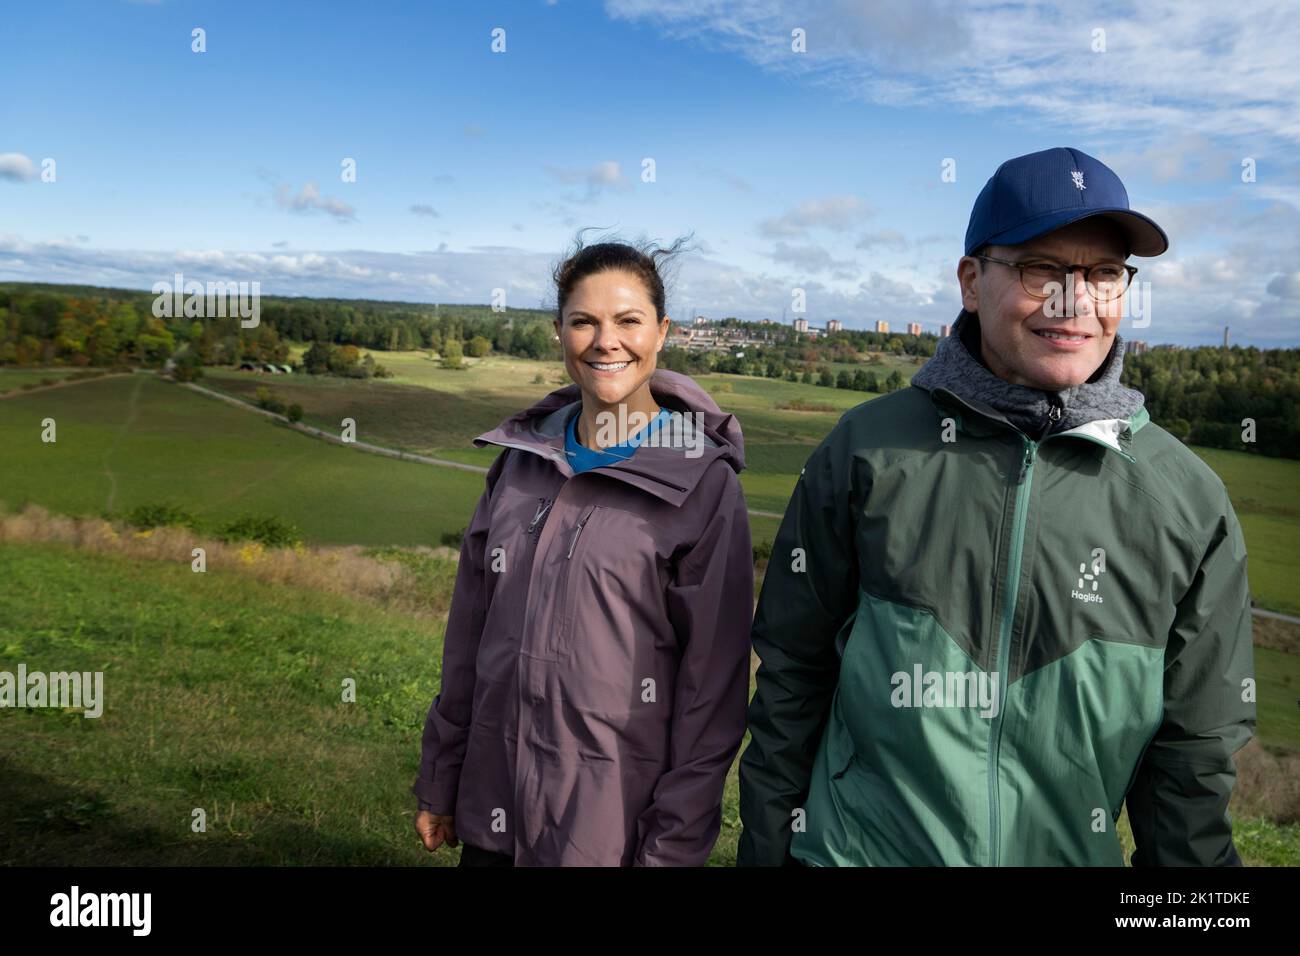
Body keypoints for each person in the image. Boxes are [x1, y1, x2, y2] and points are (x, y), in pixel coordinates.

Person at [737, 146, 1256, 866]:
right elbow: (791, 680)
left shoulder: (1186, 498)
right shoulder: (865, 451)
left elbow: (1192, 767)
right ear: (972, 282)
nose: (1077, 303)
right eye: (1043, 270)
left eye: (1104, 274)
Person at [412, 237, 754, 866]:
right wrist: (441, 775)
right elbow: (468, 639)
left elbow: (713, 693)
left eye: (628, 320)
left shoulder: (702, 485)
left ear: (662, 331)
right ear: (559, 332)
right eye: (584, 322)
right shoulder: (518, 464)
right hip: (493, 816)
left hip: (606, 835)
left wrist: (673, 847)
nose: (606, 341)